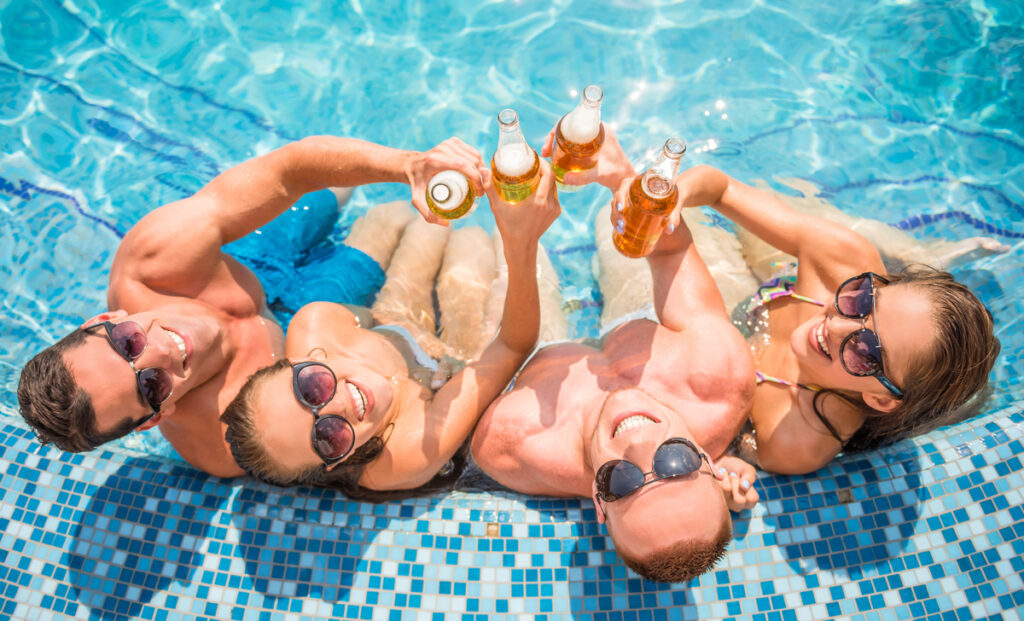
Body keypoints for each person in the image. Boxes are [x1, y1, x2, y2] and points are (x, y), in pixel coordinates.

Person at [16, 136, 487, 477]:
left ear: (106, 320)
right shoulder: (224, 442)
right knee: (392, 226)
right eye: (150, 385)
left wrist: (409, 165)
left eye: (128, 343)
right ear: (156, 419)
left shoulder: (155, 263)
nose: (162, 352)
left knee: (327, 190)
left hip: (250, 258)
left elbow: (291, 169)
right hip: (306, 318)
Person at [470, 126, 760, 584]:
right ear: (707, 463)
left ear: (598, 507)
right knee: (621, 242)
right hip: (639, 321)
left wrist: (519, 243)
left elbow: (504, 347)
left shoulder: (513, 441)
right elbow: (671, 254)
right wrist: (622, 179)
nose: (638, 444)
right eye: (677, 464)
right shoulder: (718, 381)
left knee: (507, 256)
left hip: (537, 357)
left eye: (622, 482)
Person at [219, 160, 562, 499]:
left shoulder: (318, 323)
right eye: (326, 437)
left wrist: (402, 319)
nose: (340, 404)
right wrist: (522, 243)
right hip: (455, 360)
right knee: (472, 247)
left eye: (311, 387)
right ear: (334, 463)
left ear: (301, 361)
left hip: (399, 323)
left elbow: (369, 317)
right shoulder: (409, 451)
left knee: (422, 226)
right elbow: (512, 346)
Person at [651, 164, 1002, 475]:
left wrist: (725, 469)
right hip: (790, 277)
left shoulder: (794, 439)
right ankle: (928, 256)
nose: (835, 327)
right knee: (758, 201)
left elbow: (704, 441)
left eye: (866, 353)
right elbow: (722, 188)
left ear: (882, 400)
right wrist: (677, 193)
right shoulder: (844, 265)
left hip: (742, 313)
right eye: (864, 299)